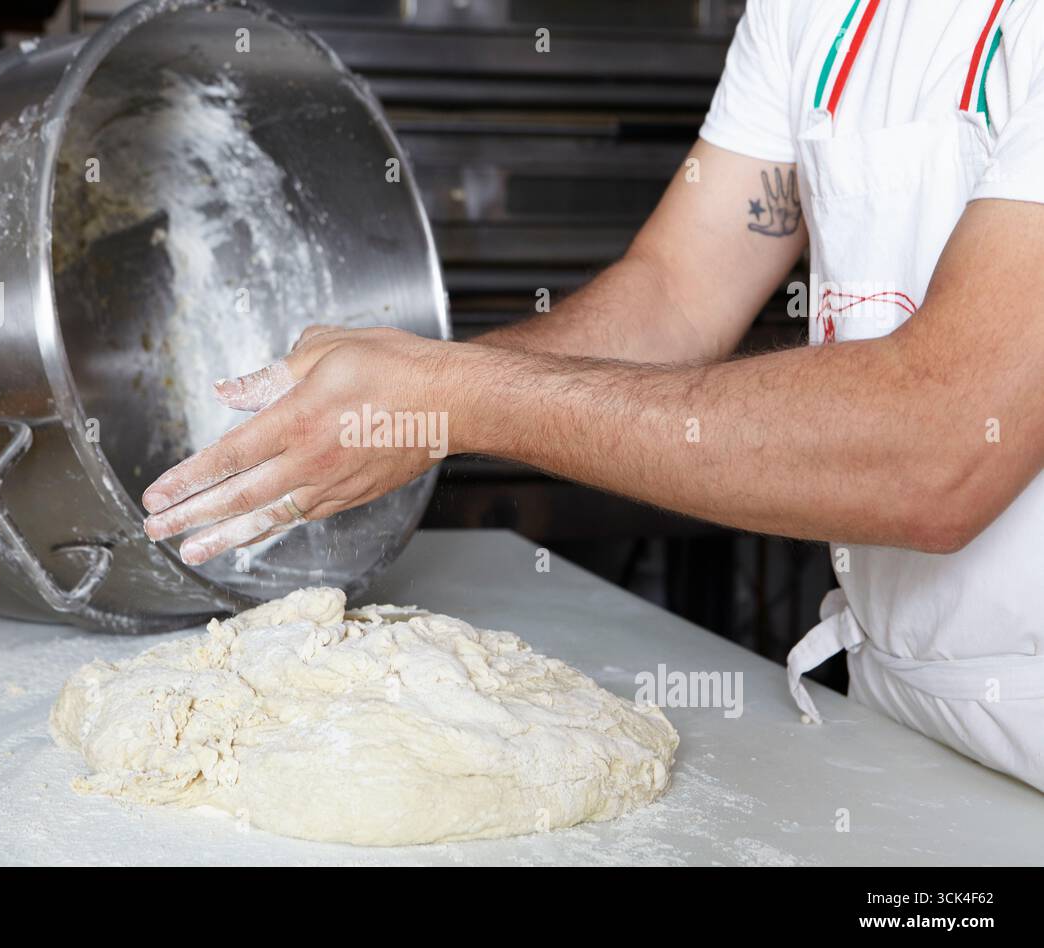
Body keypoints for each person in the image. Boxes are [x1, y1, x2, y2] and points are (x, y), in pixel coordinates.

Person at [140, 0, 1044, 791]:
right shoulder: (810, 10)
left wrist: (459, 396)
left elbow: (942, 446)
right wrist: (413, 404)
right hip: (899, 718)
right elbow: (678, 292)